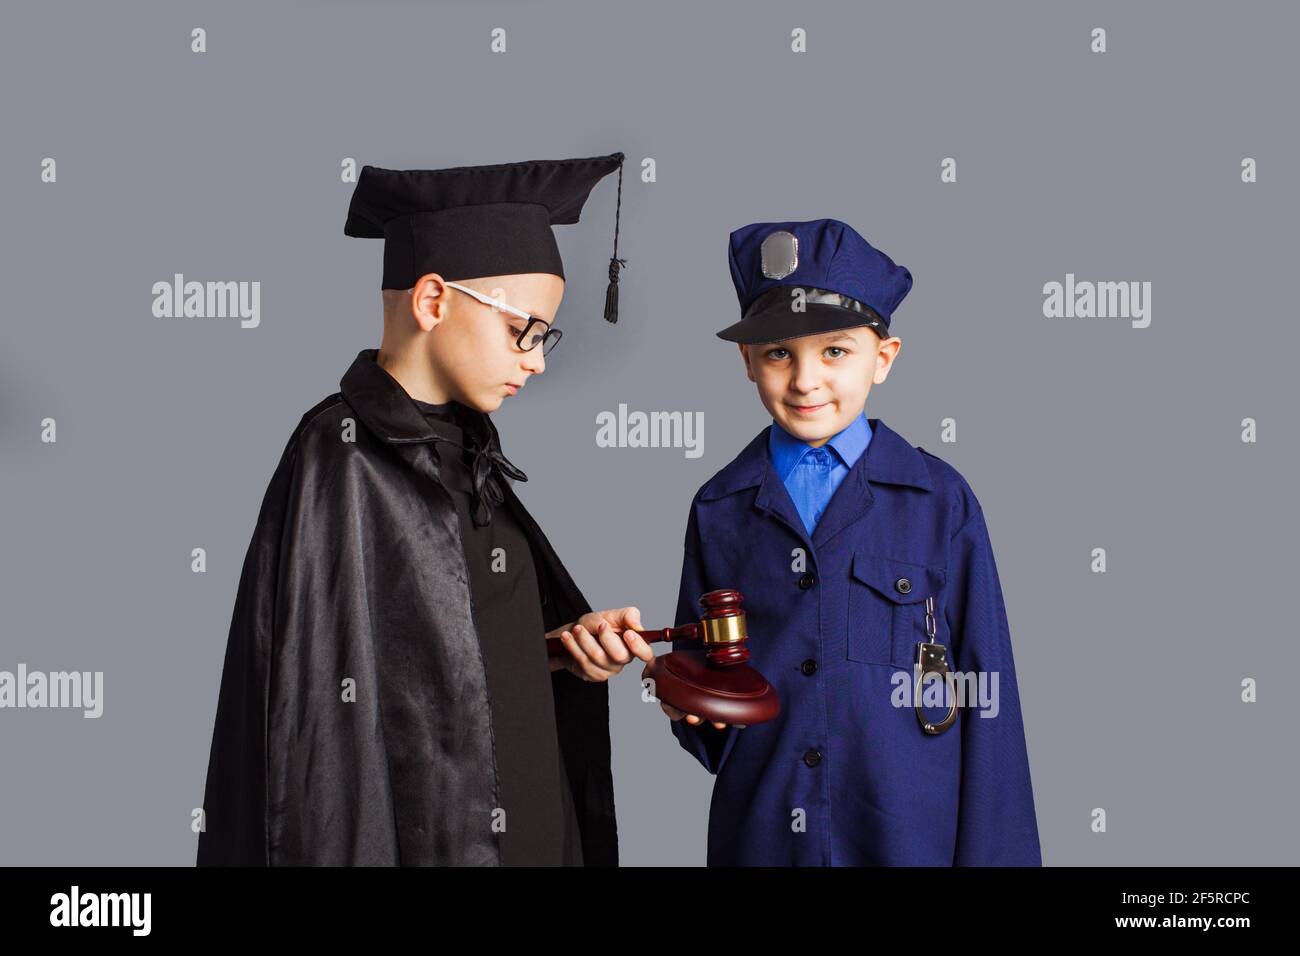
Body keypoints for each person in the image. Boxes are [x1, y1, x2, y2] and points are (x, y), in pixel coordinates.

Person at [197, 152, 655, 867]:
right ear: (433, 301)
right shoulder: (340, 458)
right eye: (523, 331)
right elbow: (316, 740)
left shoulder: (473, 456)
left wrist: (559, 651)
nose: (537, 360)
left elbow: (438, 667)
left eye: (545, 338)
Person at [650, 218, 1041, 865]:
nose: (805, 380)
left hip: (907, 839)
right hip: (763, 838)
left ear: (882, 358)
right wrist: (685, 701)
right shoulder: (719, 508)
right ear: (747, 361)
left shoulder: (939, 501)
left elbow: (988, 696)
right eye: (779, 352)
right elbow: (715, 714)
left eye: (834, 351)